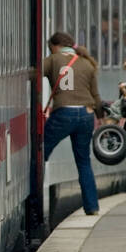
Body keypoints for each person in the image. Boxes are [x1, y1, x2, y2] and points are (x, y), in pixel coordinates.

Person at [42, 31, 101, 216]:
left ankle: (35, 202)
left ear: (55, 46)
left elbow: (34, 74)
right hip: (86, 114)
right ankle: (92, 207)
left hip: (63, 113)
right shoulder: (87, 63)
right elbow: (96, 97)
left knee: (40, 153)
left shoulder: (53, 59)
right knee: (84, 161)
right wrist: (102, 116)